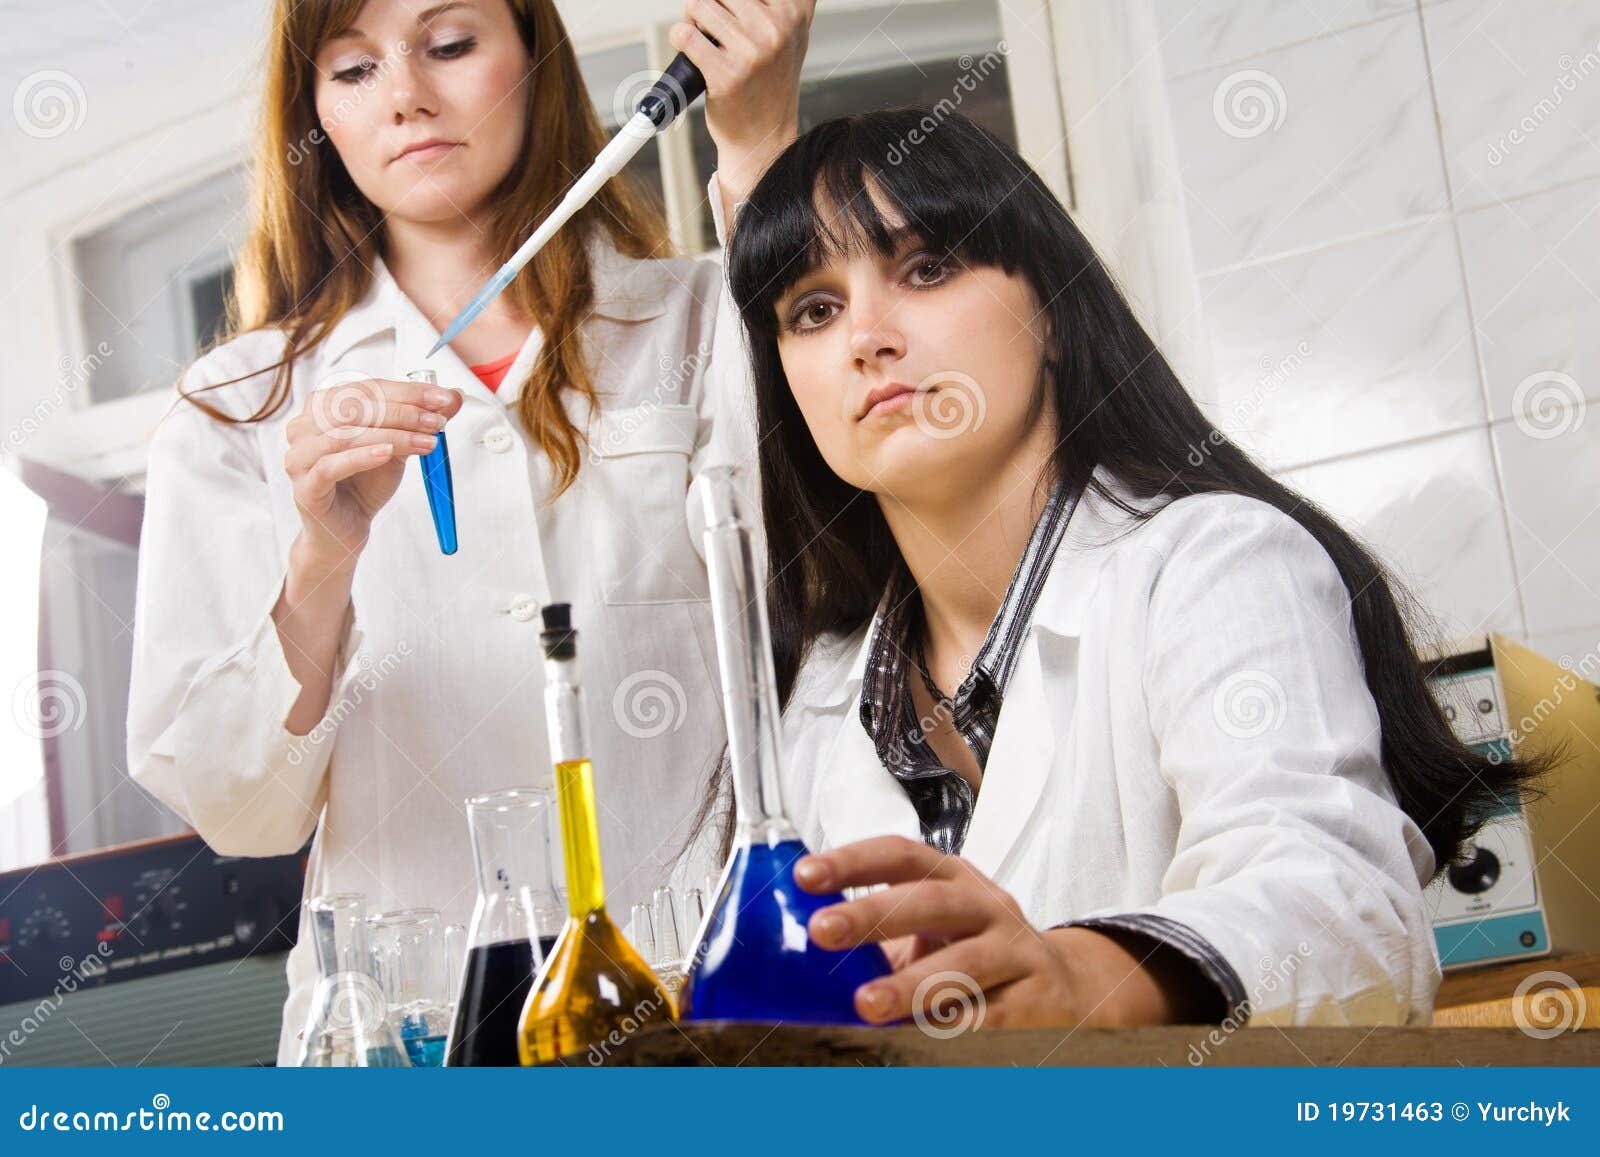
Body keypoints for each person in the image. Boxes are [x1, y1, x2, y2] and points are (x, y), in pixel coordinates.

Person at [705, 109, 1550, 1028]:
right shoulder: (815, 702)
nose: (865, 336)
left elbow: (1340, 907)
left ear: (1054, 313)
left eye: (926, 267)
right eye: (813, 311)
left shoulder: (1216, 565)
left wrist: (1081, 977)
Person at [126, 0, 812, 1064]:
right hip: (411, 1032)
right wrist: (324, 554)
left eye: (450, 46)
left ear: (535, 64)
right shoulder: (239, 406)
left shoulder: (702, 317)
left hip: (694, 1008)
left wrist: (759, 140)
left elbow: (835, 594)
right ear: (314, 119)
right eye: (353, 72)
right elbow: (240, 812)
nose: (406, 94)